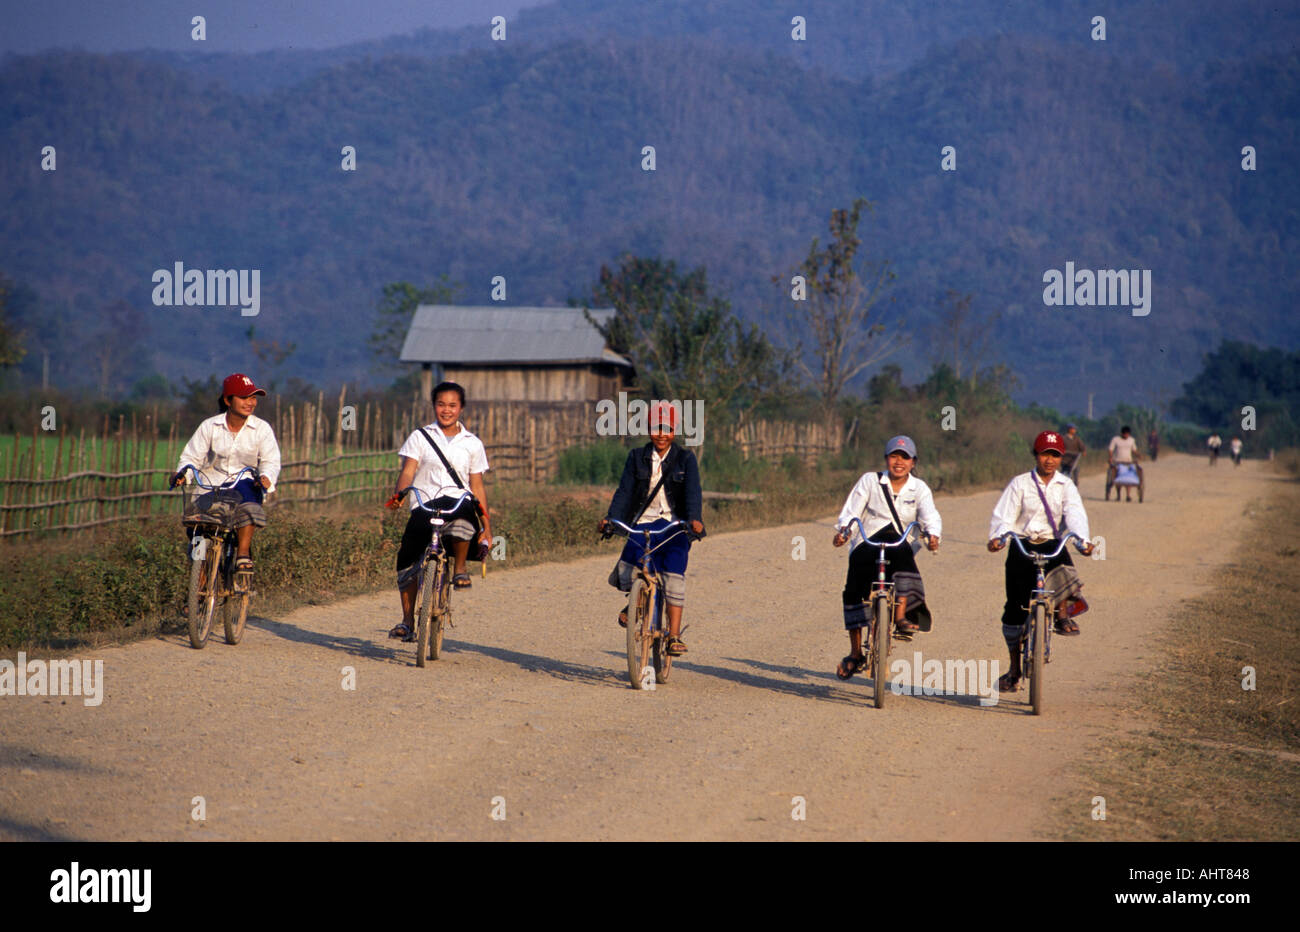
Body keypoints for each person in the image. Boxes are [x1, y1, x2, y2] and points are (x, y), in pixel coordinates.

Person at [988, 430, 1095, 693]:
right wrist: (998, 538)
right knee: (1014, 608)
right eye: (1045, 454)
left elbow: (1075, 514)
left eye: (1055, 455)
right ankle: (1014, 670)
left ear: (1061, 459)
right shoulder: (1020, 483)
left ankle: (1060, 616)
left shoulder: (1066, 486)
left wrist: (1082, 540)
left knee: (1065, 566)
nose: (1050, 460)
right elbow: (1005, 515)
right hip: (1022, 543)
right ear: (1036, 455)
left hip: (1050, 541)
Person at [384, 381, 492, 641]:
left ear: (461, 408)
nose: (446, 410)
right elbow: (408, 470)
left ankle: (460, 570)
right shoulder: (420, 436)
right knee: (406, 558)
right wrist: (400, 494)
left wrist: (487, 525)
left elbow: (476, 484)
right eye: (441, 404)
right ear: (434, 406)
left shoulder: (472, 443)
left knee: (465, 522)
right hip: (425, 502)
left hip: (457, 501)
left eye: (452, 405)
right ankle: (407, 621)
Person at [831, 435, 941, 680]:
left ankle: (901, 615)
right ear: (886, 459)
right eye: (894, 456)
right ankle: (855, 652)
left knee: (902, 551)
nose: (899, 462)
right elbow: (851, 511)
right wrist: (844, 531)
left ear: (913, 462)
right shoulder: (870, 481)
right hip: (868, 541)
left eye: (905, 457)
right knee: (852, 588)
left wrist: (933, 534)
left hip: (900, 543)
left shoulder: (919, 488)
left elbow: (929, 515)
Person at [599, 402, 704, 657]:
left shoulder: (685, 459)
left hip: (674, 524)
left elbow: (692, 493)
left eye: (666, 428)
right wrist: (612, 519)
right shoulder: (636, 457)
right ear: (648, 429)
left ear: (675, 431)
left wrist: (694, 519)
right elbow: (624, 492)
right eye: (656, 428)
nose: (661, 434)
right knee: (631, 560)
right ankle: (634, 602)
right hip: (643, 521)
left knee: (674, 572)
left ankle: (674, 635)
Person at [171, 372, 281, 577]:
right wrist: (183, 474)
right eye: (244, 397)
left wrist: (266, 477)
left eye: (253, 398)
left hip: (245, 482)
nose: (251, 402)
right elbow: (191, 458)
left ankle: (243, 554)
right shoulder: (209, 426)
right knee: (195, 529)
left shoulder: (261, 429)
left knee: (249, 504)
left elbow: (270, 461)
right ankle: (200, 582)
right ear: (228, 400)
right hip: (212, 485)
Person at [1107, 425, 1142, 502]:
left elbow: (1134, 450)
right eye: (1125, 434)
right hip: (1118, 461)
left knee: (1128, 479)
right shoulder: (1116, 439)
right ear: (1122, 433)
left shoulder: (1131, 440)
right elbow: (1111, 449)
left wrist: (1138, 455)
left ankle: (1128, 495)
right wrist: (1110, 457)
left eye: (1128, 434)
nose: (1126, 435)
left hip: (1128, 461)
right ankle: (1118, 495)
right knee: (1117, 478)